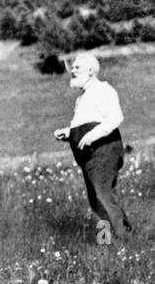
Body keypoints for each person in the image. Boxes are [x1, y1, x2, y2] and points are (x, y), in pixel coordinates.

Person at [53, 51, 136, 241]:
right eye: (72, 68)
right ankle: (109, 240)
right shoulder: (81, 98)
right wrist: (68, 133)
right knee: (96, 200)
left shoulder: (103, 90)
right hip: (89, 156)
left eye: (77, 67)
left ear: (91, 71)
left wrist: (91, 136)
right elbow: (86, 124)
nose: (72, 71)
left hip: (103, 151)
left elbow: (115, 118)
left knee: (102, 196)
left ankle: (122, 239)